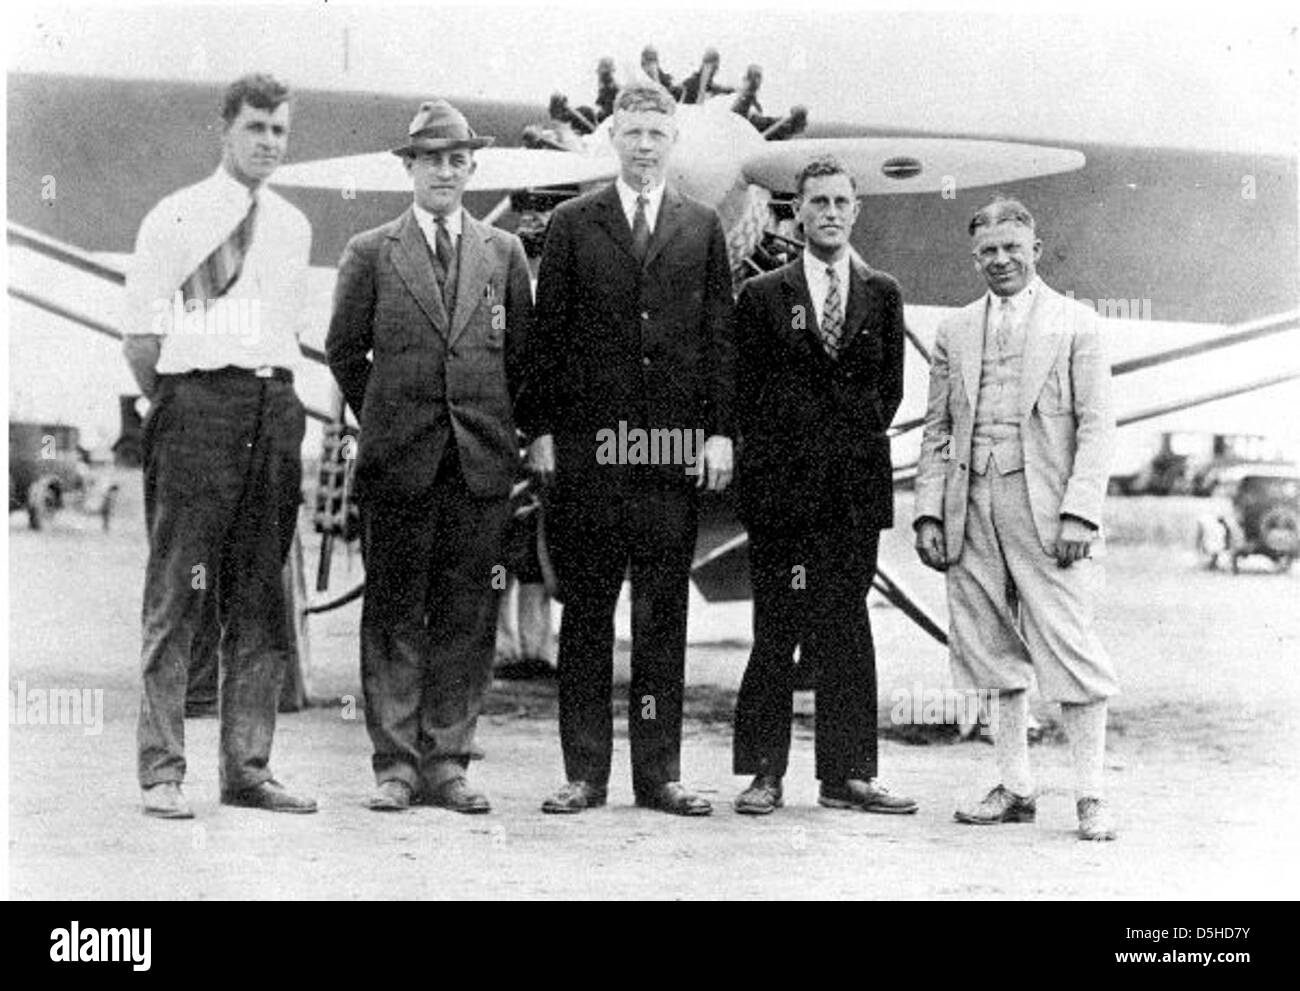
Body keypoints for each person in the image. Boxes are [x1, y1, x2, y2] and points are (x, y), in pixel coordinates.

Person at [523, 84, 736, 816]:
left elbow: (719, 340)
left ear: (673, 141)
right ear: (612, 138)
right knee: (587, 614)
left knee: (661, 616)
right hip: (590, 454)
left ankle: (659, 774)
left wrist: (717, 431)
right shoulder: (572, 225)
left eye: (657, 133)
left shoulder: (702, 227)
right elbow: (546, 339)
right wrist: (542, 429)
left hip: (669, 455)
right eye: (633, 132)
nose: (645, 145)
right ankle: (585, 773)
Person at [326, 99, 533, 814]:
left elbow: (522, 359)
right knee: (393, 610)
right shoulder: (370, 252)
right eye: (430, 159)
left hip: (478, 462)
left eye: (456, 159)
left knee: (467, 613)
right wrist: (386, 417)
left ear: (472, 167)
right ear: (408, 168)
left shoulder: (503, 254)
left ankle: (448, 760)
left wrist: (503, 432)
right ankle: (395, 765)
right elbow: (345, 351)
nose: (444, 171)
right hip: (400, 463)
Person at [122, 73, 316, 818]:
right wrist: (182, 402)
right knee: (178, 593)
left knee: (261, 599)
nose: (268, 142)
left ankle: (247, 768)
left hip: (274, 409)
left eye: (279, 131)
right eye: (256, 128)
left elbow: (284, 331)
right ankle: (162, 770)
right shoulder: (176, 216)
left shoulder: (293, 227)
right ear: (225, 130)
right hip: (198, 404)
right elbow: (143, 340)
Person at [913, 196, 1119, 841]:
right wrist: (927, 511)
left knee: (1069, 644)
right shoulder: (956, 328)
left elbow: (1096, 425)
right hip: (970, 505)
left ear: (1034, 248)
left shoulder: (1076, 323)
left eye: (1011, 248)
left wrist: (1080, 512)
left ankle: (1090, 794)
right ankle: (1016, 785)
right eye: (987, 252)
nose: (1000, 260)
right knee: (988, 646)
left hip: (1048, 509)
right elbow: (939, 429)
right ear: (975, 258)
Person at [730, 157, 916, 816]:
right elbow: (743, 395)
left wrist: (842, 448)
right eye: (818, 202)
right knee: (775, 627)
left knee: (846, 629)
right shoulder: (761, 297)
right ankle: (763, 773)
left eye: (842, 201)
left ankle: (849, 775)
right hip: (782, 493)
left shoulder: (883, 293)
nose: (831, 212)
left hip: (853, 495)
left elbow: (886, 392)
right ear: (798, 211)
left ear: (856, 210)